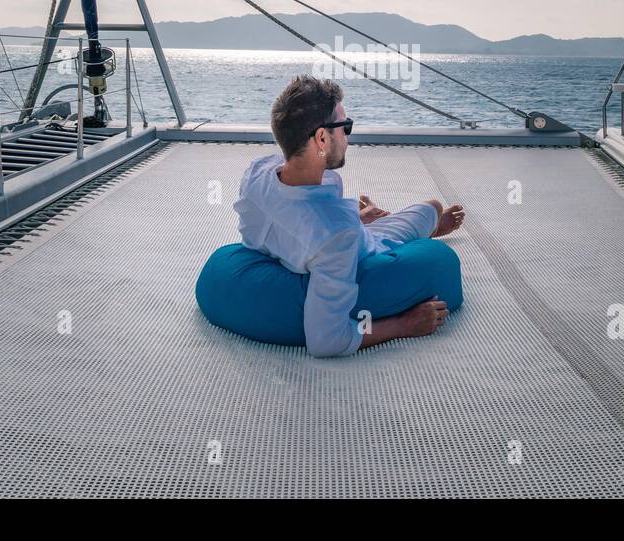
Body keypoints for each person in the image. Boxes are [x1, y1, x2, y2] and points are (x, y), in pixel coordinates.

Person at [195, 75, 465, 357]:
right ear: (322, 138)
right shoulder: (337, 235)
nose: (348, 136)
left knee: (384, 219)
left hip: (330, 235)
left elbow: (293, 224)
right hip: (364, 249)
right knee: (430, 207)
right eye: (345, 127)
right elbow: (327, 341)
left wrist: (355, 219)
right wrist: (404, 324)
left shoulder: (257, 172)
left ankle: (371, 217)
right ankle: (426, 225)